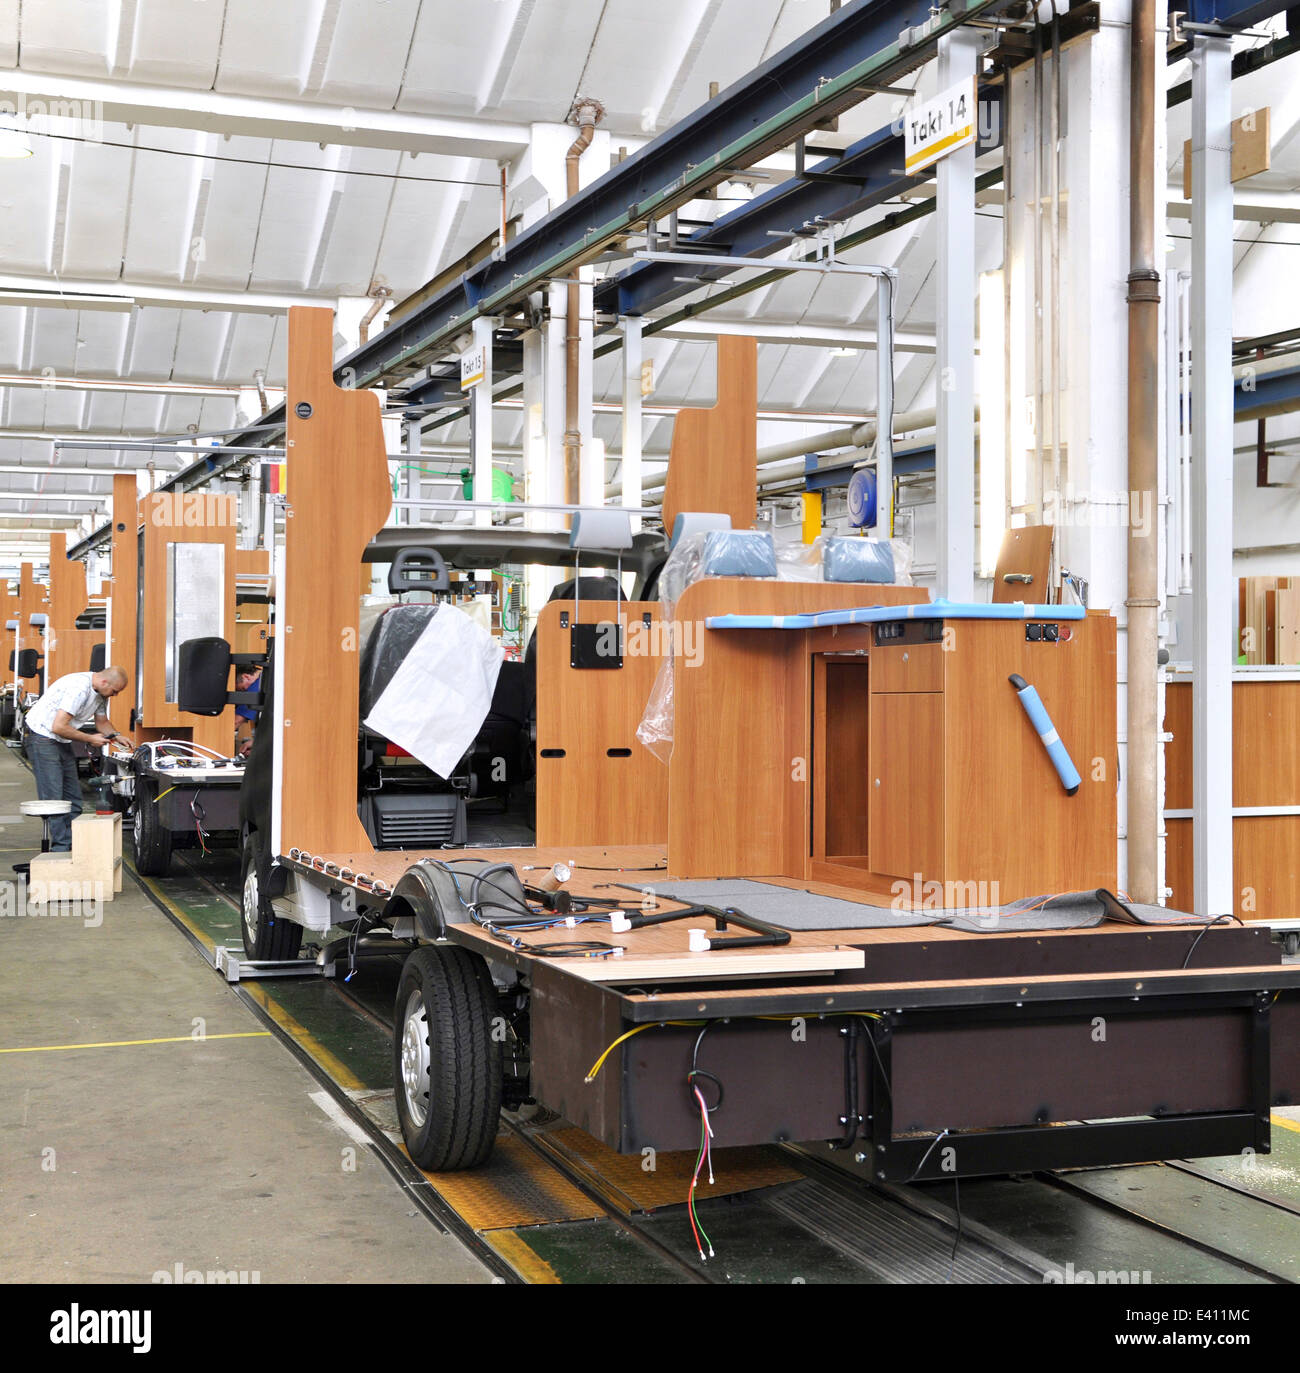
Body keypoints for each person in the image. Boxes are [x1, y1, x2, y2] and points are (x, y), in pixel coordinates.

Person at [25, 665, 133, 851]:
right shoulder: (79, 689)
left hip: (60, 740)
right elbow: (58, 726)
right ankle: (61, 850)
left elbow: (102, 722)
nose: (114, 695)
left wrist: (116, 736)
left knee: (73, 798)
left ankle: (74, 846)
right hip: (41, 736)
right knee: (54, 799)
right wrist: (91, 739)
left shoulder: (101, 693)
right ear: (104, 681)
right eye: (114, 691)